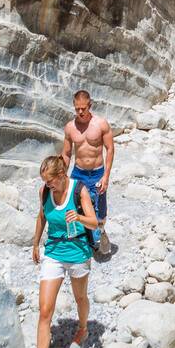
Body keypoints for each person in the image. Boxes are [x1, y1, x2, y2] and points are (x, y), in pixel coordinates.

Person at [20, 153, 98, 348]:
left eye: (50, 181)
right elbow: (42, 216)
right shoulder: (45, 191)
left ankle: (83, 329)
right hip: (53, 251)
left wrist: (79, 217)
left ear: (62, 176)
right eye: (45, 181)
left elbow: (95, 223)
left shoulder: (80, 190)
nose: (47, 185)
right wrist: (35, 243)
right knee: (45, 311)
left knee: (80, 297)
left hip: (77, 252)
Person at [62, 90, 114, 256]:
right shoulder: (70, 127)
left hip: (97, 173)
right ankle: (88, 242)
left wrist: (106, 176)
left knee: (100, 211)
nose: (80, 112)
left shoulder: (101, 124)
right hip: (78, 173)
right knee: (79, 207)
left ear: (90, 106)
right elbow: (66, 153)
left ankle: (101, 231)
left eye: (83, 108)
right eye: (77, 108)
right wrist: (62, 175)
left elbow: (110, 149)